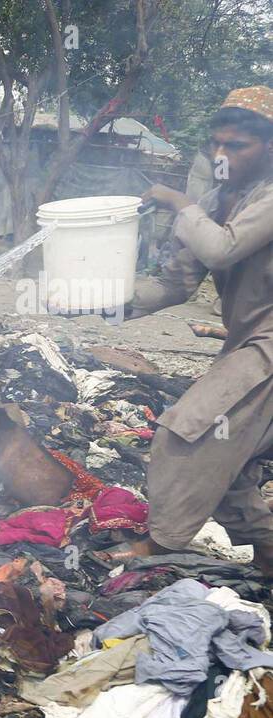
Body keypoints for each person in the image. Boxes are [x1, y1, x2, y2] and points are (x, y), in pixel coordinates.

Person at [119, 86, 273, 572]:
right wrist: (97, 303)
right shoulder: (216, 200)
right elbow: (173, 284)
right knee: (230, 465)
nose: (222, 155)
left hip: (268, 345)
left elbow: (221, 250)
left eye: (238, 146)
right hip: (247, 343)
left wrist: (180, 204)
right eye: (216, 144)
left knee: (187, 433)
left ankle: (163, 545)